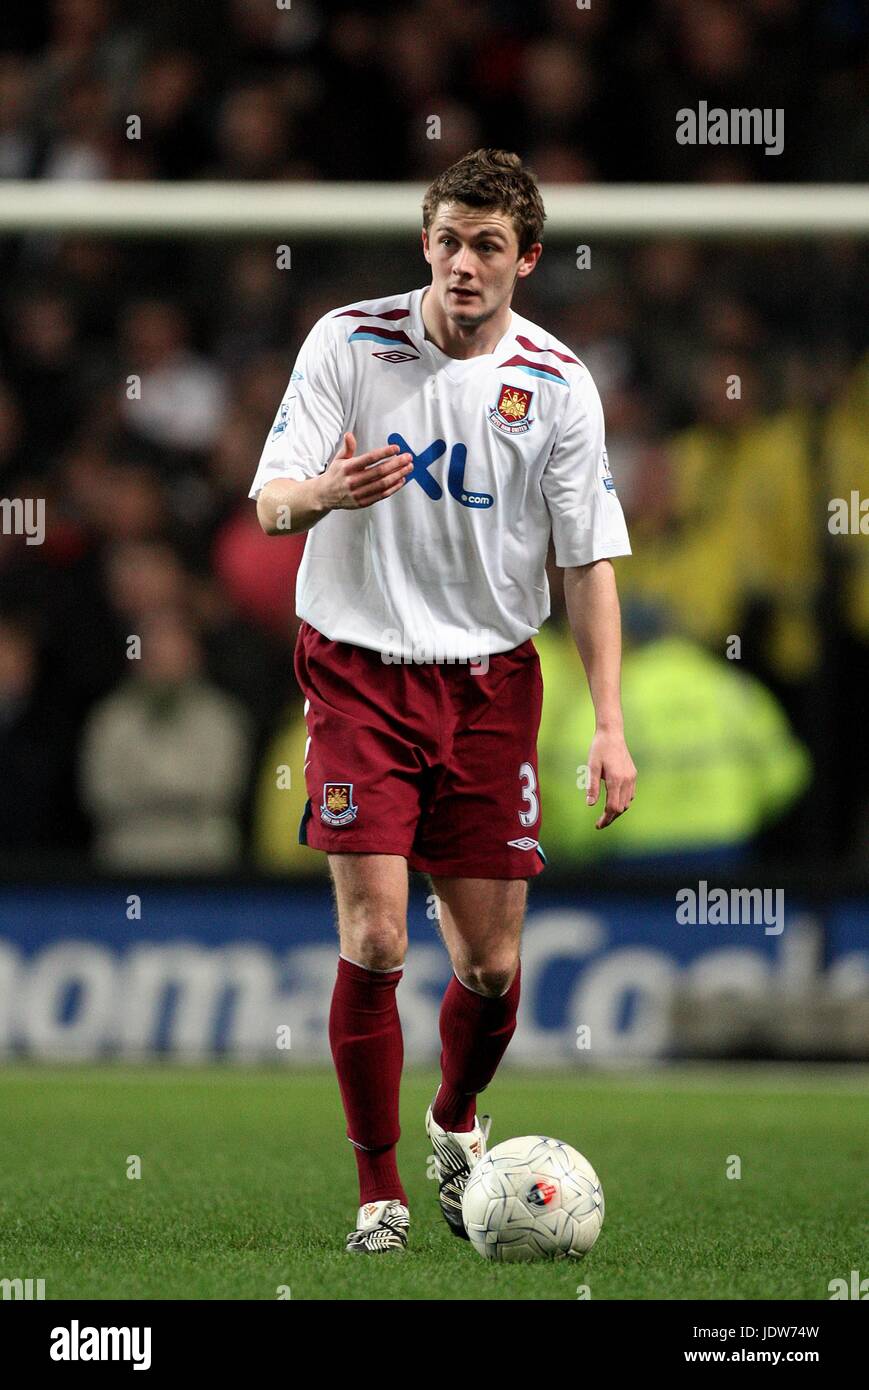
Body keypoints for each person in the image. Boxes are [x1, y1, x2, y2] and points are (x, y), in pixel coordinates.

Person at [250, 149, 636, 1252]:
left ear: (526, 258)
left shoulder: (559, 383)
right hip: (359, 672)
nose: (463, 264)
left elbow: (587, 563)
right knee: (374, 938)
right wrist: (325, 491)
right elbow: (273, 500)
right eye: (447, 241)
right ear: (424, 242)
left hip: (488, 684)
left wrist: (607, 723)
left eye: (487, 246)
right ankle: (380, 1196)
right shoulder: (347, 340)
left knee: (489, 966)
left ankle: (453, 1117)